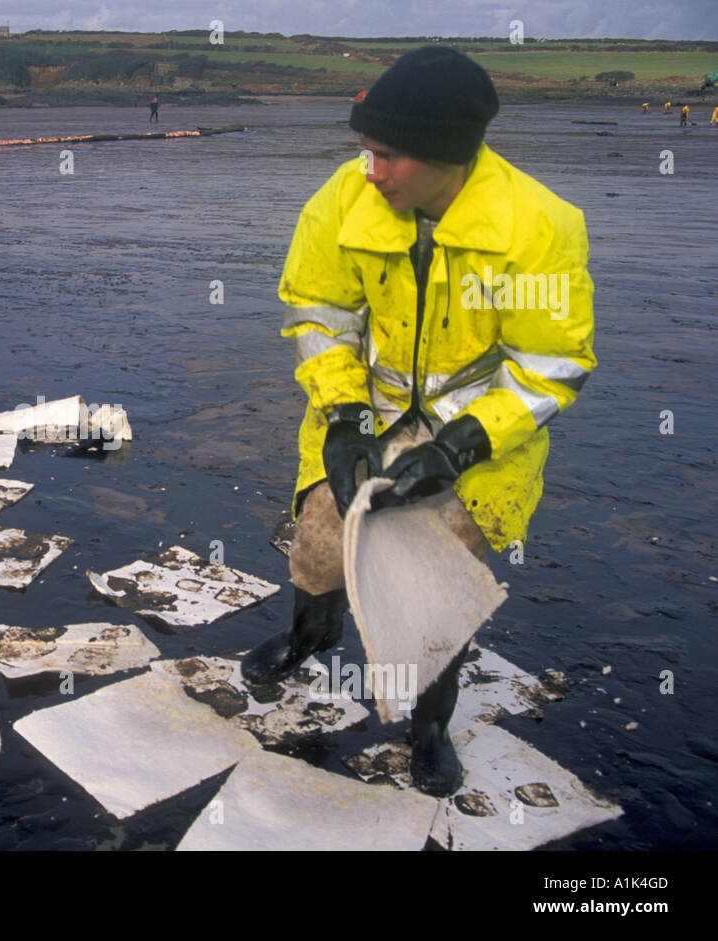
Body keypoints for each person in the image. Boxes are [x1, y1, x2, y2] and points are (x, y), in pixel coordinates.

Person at [243, 46, 596, 797]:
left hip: (477, 433)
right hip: (364, 410)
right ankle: (312, 632)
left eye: (387, 155)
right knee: (319, 534)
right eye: (367, 150)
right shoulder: (343, 198)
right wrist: (341, 417)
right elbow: (319, 311)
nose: (369, 170)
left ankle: (430, 719)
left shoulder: (539, 227)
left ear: (447, 156)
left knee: (435, 581)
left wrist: (461, 445)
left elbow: (551, 366)